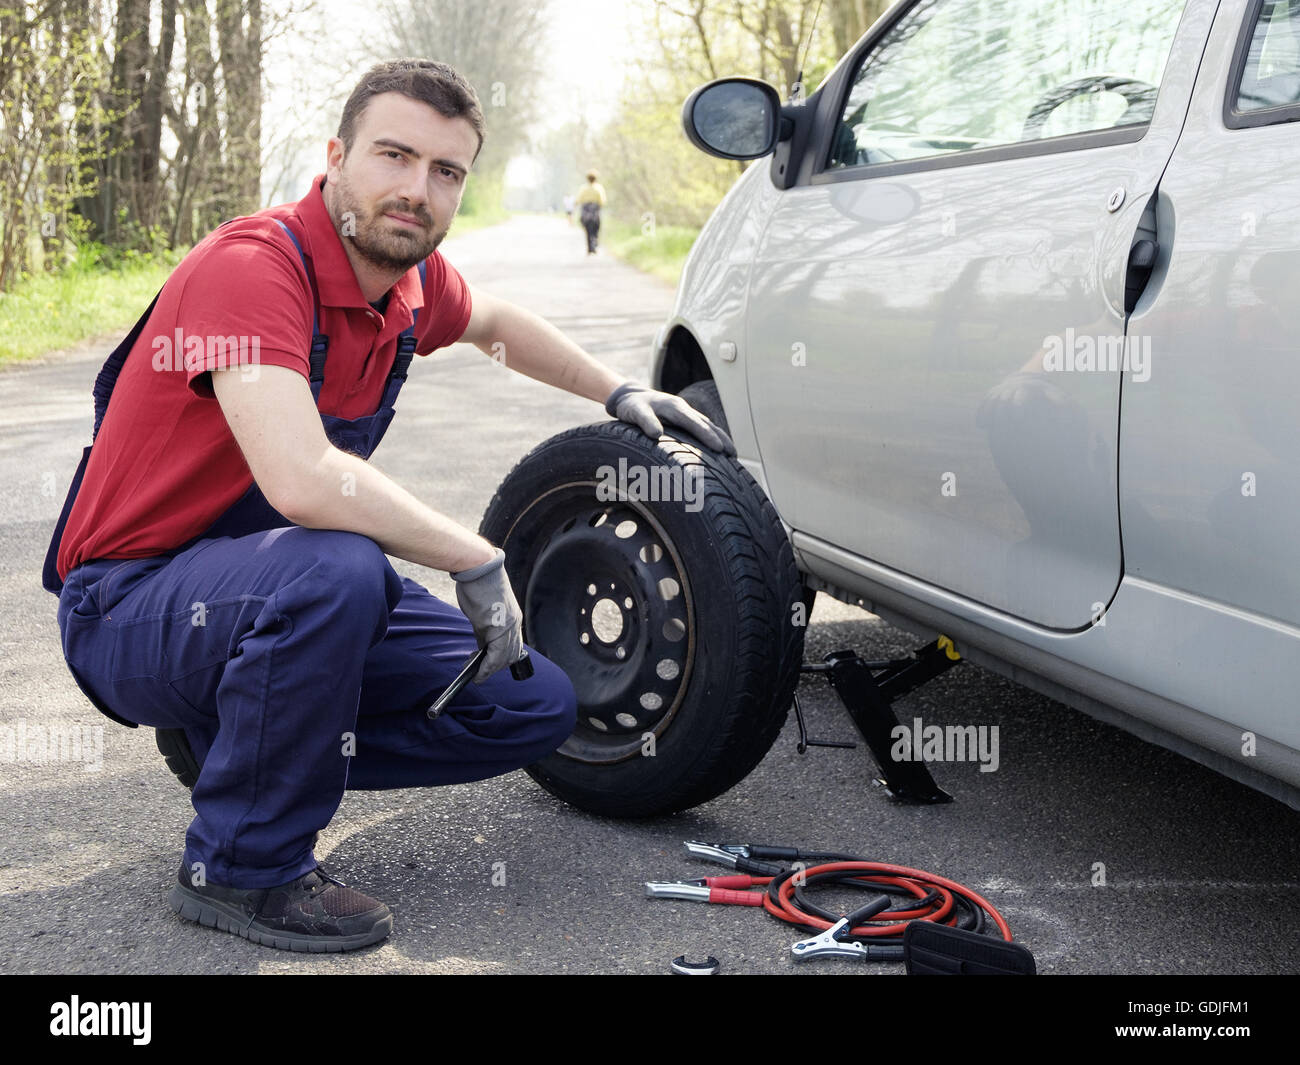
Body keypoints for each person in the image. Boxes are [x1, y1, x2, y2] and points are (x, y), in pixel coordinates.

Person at [42, 58, 735, 954]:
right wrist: (470, 552)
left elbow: (494, 324)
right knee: (337, 566)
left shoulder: (406, 285)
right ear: (337, 156)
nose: (416, 190)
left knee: (529, 704)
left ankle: (240, 747)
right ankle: (243, 863)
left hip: (269, 590)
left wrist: (617, 391)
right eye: (394, 156)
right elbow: (299, 479)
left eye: (445, 171)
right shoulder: (250, 268)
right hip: (131, 605)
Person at [575, 170, 606, 254]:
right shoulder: (598, 188)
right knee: (596, 227)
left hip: (586, 210)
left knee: (587, 228)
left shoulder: (583, 188)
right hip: (595, 210)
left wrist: (576, 204)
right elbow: (602, 200)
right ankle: (594, 244)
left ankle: (590, 246)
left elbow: (578, 199)